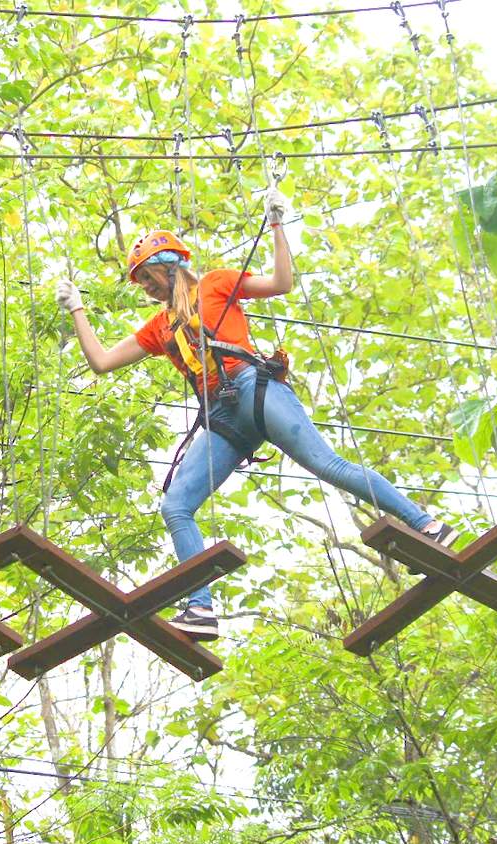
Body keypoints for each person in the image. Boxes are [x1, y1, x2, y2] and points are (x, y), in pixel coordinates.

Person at [54, 190, 455, 642]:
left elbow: (281, 283)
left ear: (168, 267)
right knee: (176, 506)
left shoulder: (217, 284)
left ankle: (426, 525)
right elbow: (102, 362)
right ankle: (200, 608)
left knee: (328, 466)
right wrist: (77, 310)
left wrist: (278, 226)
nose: (143, 287)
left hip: (252, 387)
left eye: (145, 277)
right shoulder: (158, 327)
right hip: (222, 417)